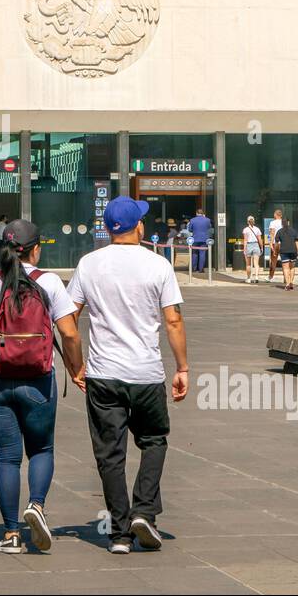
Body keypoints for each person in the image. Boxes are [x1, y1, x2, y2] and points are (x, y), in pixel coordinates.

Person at [68, 196, 189, 555]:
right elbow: (173, 320)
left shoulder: (88, 264)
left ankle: (120, 533)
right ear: (139, 227)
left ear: (107, 229)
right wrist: (182, 367)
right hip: (146, 373)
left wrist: (75, 365)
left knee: (110, 454)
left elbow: (68, 320)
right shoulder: (158, 265)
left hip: (103, 374)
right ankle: (145, 512)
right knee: (153, 441)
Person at [0, 220, 84, 555]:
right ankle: (37, 506)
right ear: (36, 248)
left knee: (7, 457)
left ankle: (11, 534)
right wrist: (76, 370)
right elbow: (69, 333)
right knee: (41, 449)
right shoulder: (50, 283)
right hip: (38, 379)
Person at [272, 216, 298, 291]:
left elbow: (276, 243)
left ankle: (287, 284)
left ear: (282, 223)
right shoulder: (293, 231)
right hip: (293, 251)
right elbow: (296, 242)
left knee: (285, 268)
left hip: (284, 251)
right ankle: (291, 282)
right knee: (292, 267)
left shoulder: (279, 231)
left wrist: (275, 251)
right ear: (288, 222)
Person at [187, 208, 212, 274]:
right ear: (203, 213)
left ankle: (194, 268)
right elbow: (209, 227)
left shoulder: (192, 220)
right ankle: (201, 269)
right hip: (204, 239)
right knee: (202, 254)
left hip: (195, 238)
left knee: (194, 253)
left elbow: (190, 229)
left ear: (196, 213)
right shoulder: (207, 220)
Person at [242, 215, 264, 283]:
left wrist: (244, 249)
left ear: (247, 222)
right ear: (253, 221)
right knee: (256, 263)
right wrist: (261, 247)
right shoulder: (257, 229)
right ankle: (256, 277)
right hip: (256, 245)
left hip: (249, 245)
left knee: (248, 264)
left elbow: (245, 240)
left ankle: (248, 278)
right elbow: (260, 239)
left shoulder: (245, 229)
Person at [266, 209, 283, 282]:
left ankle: (270, 276)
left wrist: (270, 243)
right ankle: (286, 278)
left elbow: (272, 233)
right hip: (283, 243)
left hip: (275, 243)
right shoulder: (284, 222)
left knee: (273, 261)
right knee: (285, 261)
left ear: (275, 215)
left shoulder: (272, 223)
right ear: (281, 215)